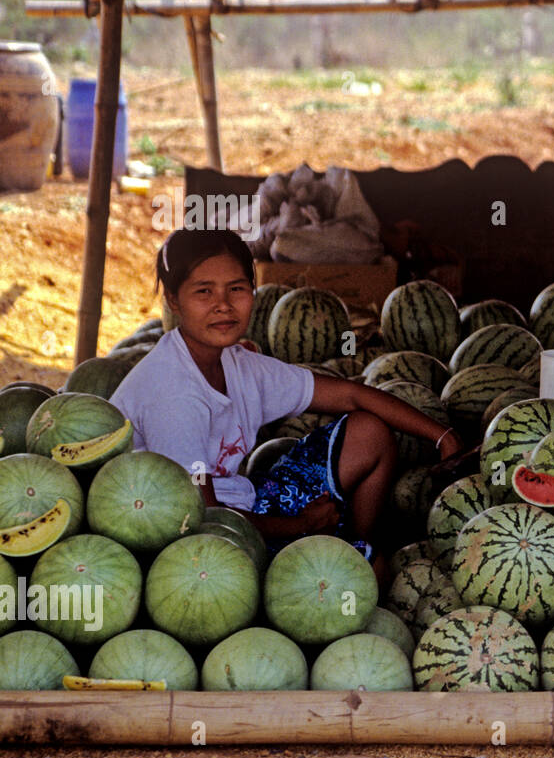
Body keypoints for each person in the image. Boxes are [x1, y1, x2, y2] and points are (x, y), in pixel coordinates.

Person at [110, 228, 464, 583]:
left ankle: (357, 545)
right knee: (367, 571)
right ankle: (352, 564)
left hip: (243, 504)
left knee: (369, 432)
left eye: (236, 288)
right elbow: (202, 516)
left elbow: (351, 395)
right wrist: (300, 525)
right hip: (197, 544)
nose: (223, 304)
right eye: (204, 291)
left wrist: (442, 436)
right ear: (173, 300)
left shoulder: (237, 363)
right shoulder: (172, 391)